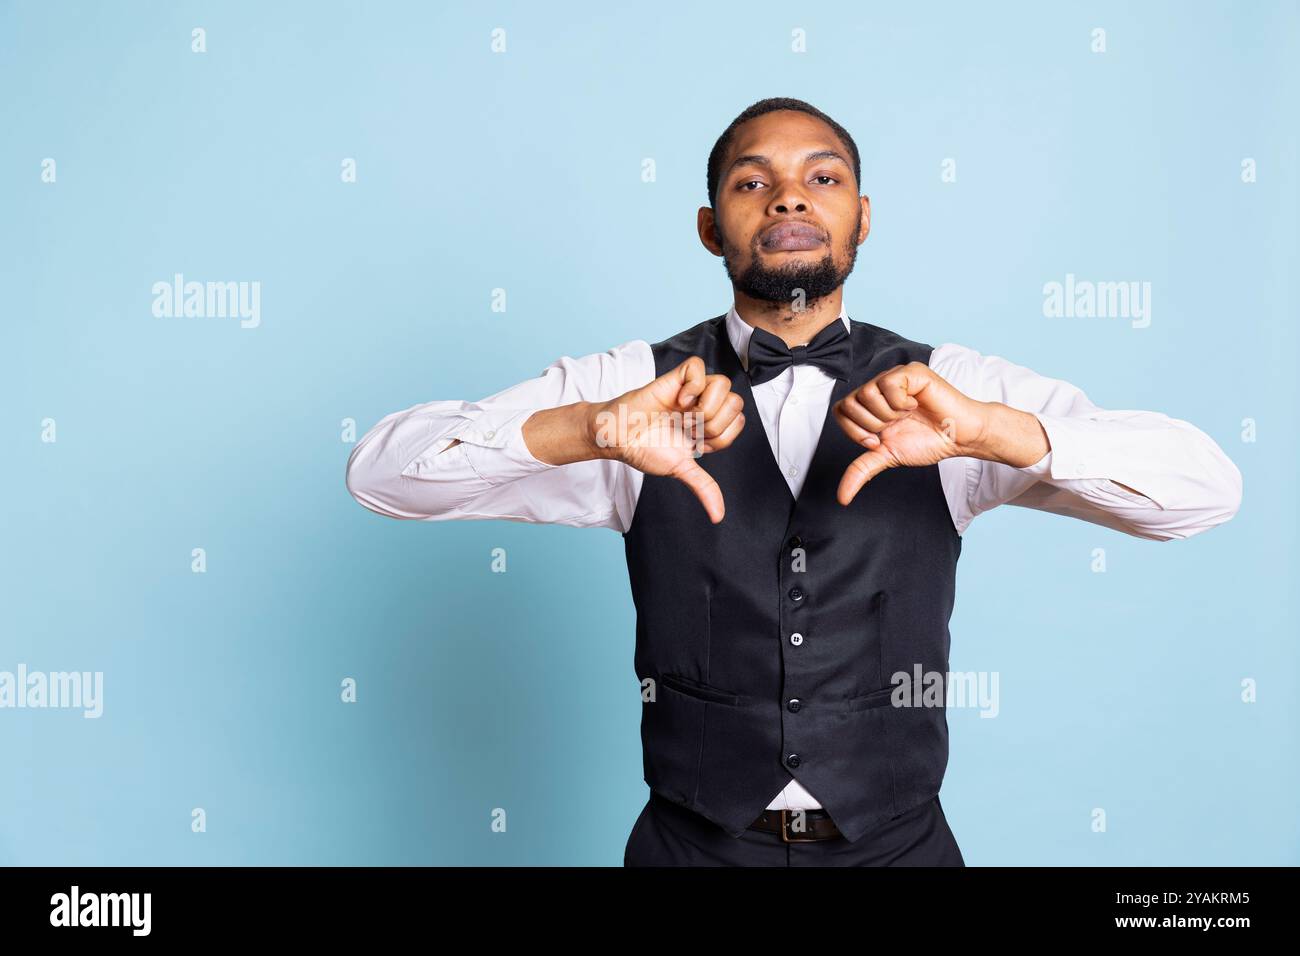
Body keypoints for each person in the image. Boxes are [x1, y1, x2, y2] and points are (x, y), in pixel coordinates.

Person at [344, 97, 1242, 866]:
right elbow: (381, 475)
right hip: (689, 845)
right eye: (750, 181)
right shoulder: (632, 388)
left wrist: (995, 433)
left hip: (901, 846)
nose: (788, 196)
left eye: (824, 178)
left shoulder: (957, 390)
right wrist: (584, 430)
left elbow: (1206, 492)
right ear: (710, 227)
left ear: (861, 217)